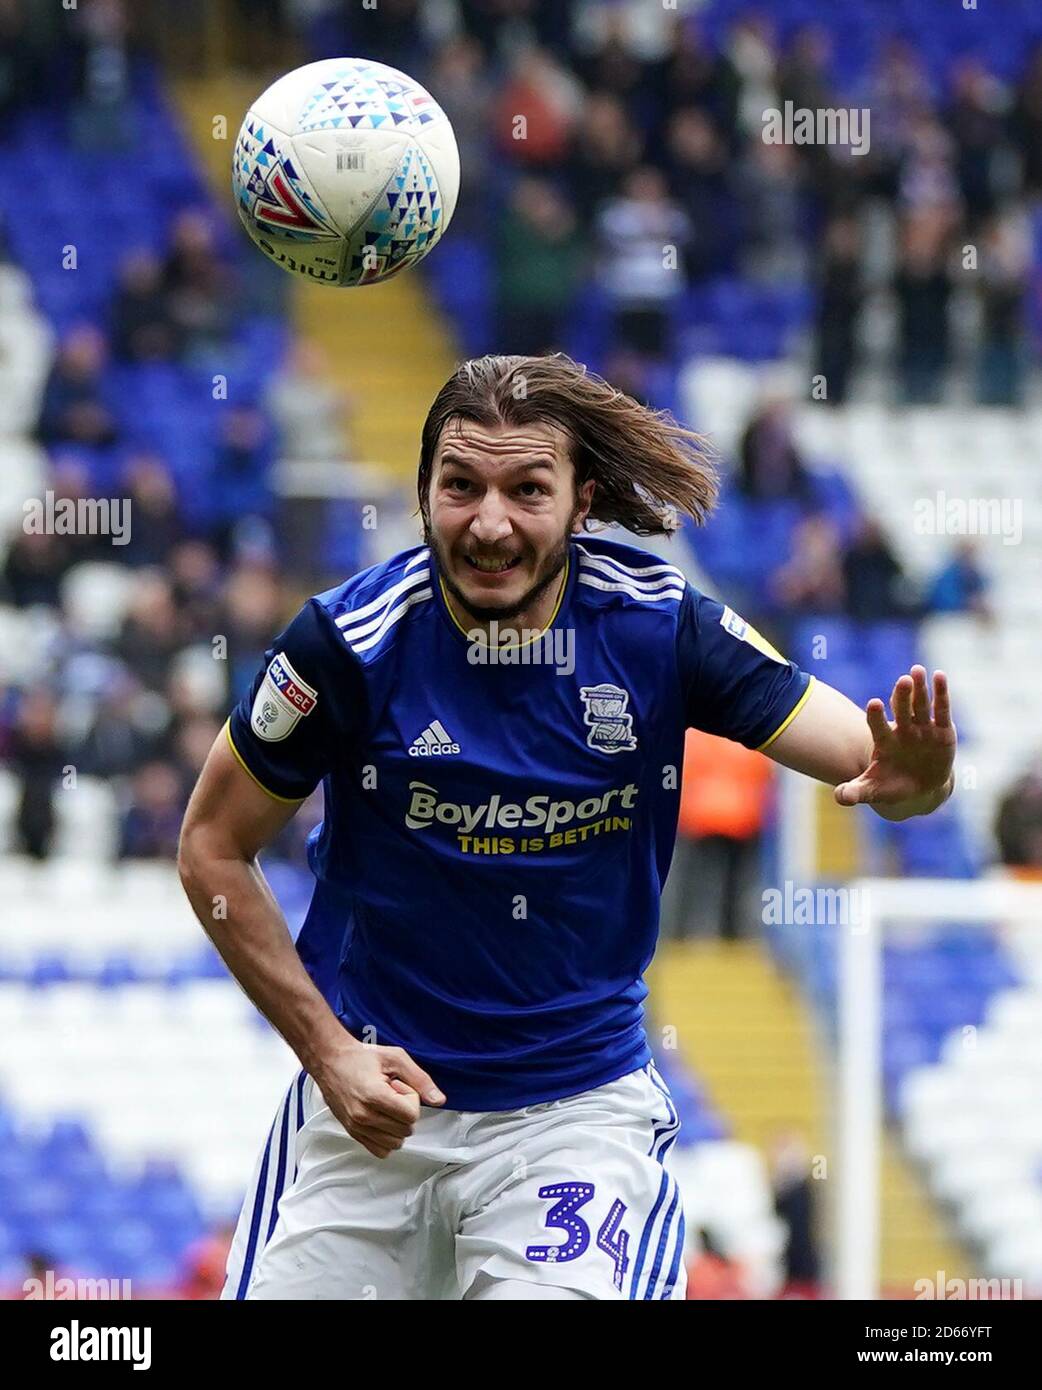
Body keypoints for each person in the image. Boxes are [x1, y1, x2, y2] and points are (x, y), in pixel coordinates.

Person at [177, 354, 957, 1302]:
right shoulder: (344, 647)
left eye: (527, 489)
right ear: (424, 495)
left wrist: (917, 779)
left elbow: (869, 765)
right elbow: (212, 846)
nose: (490, 522)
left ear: (582, 502)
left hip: (573, 1121)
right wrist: (329, 1054)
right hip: (372, 1113)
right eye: (460, 486)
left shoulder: (659, 628)